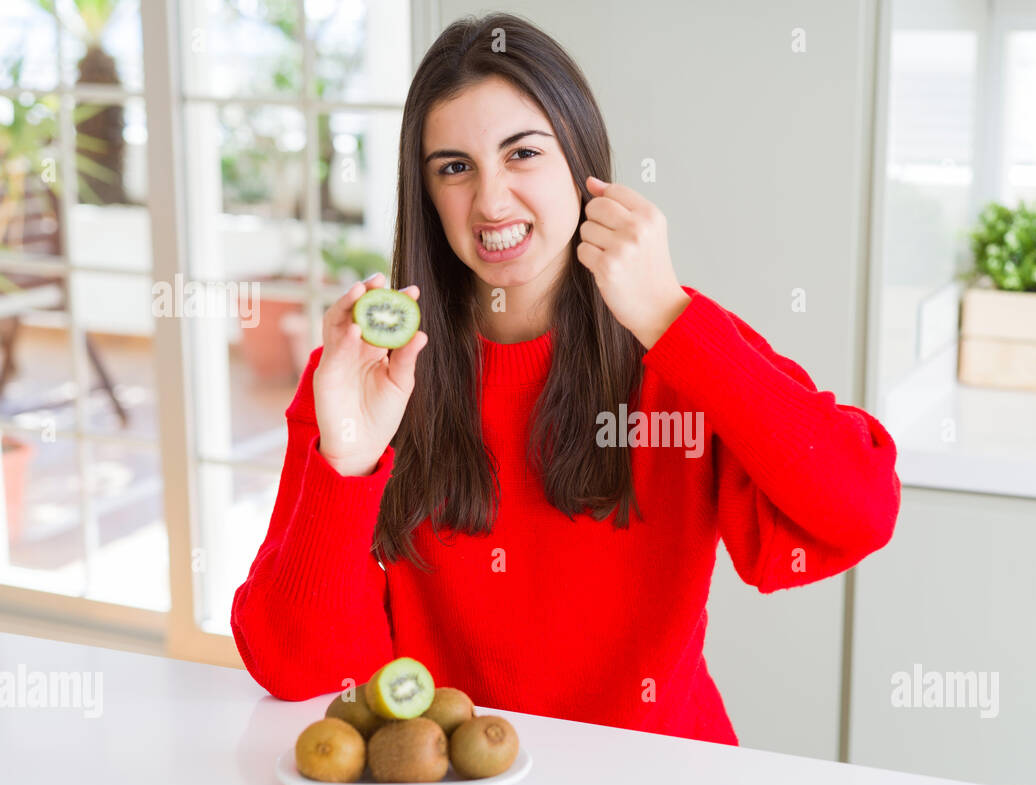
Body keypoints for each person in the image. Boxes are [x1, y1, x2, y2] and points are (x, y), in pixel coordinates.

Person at [231, 12, 901, 747]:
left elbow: (859, 509)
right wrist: (347, 461)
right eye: (454, 167)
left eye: (522, 153)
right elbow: (297, 666)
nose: (490, 201)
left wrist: (675, 319)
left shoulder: (681, 349)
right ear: (426, 197)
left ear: (581, 161)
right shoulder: (367, 378)